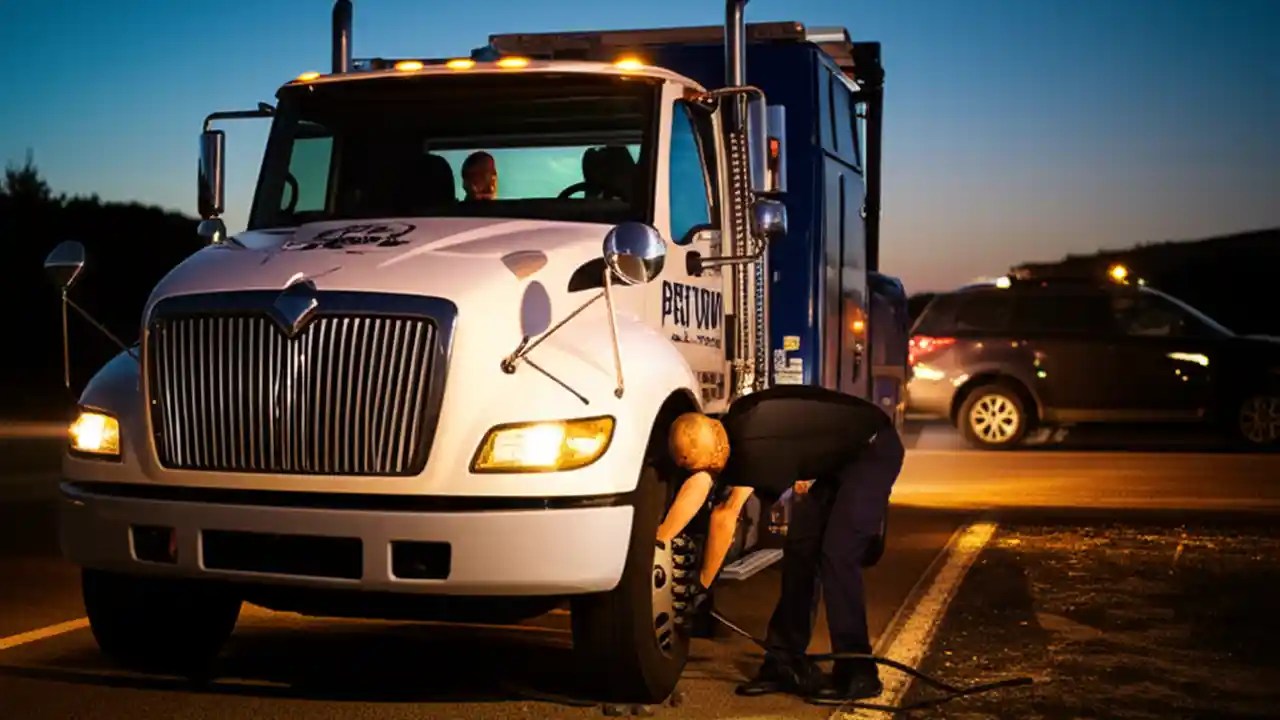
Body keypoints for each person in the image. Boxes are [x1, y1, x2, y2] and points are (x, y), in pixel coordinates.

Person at [657, 384, 905, 702]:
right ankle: (782, 662)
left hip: (872, 448)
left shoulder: (754, 450)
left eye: (701, 465)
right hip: (839, 457)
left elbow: (725, 514)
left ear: (716, 451)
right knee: (801, 549)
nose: (701, 474)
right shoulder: (729, 427)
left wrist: (702, 587)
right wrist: (661, 538)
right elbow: (700, 480)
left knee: (838, 553)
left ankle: (859, 671)